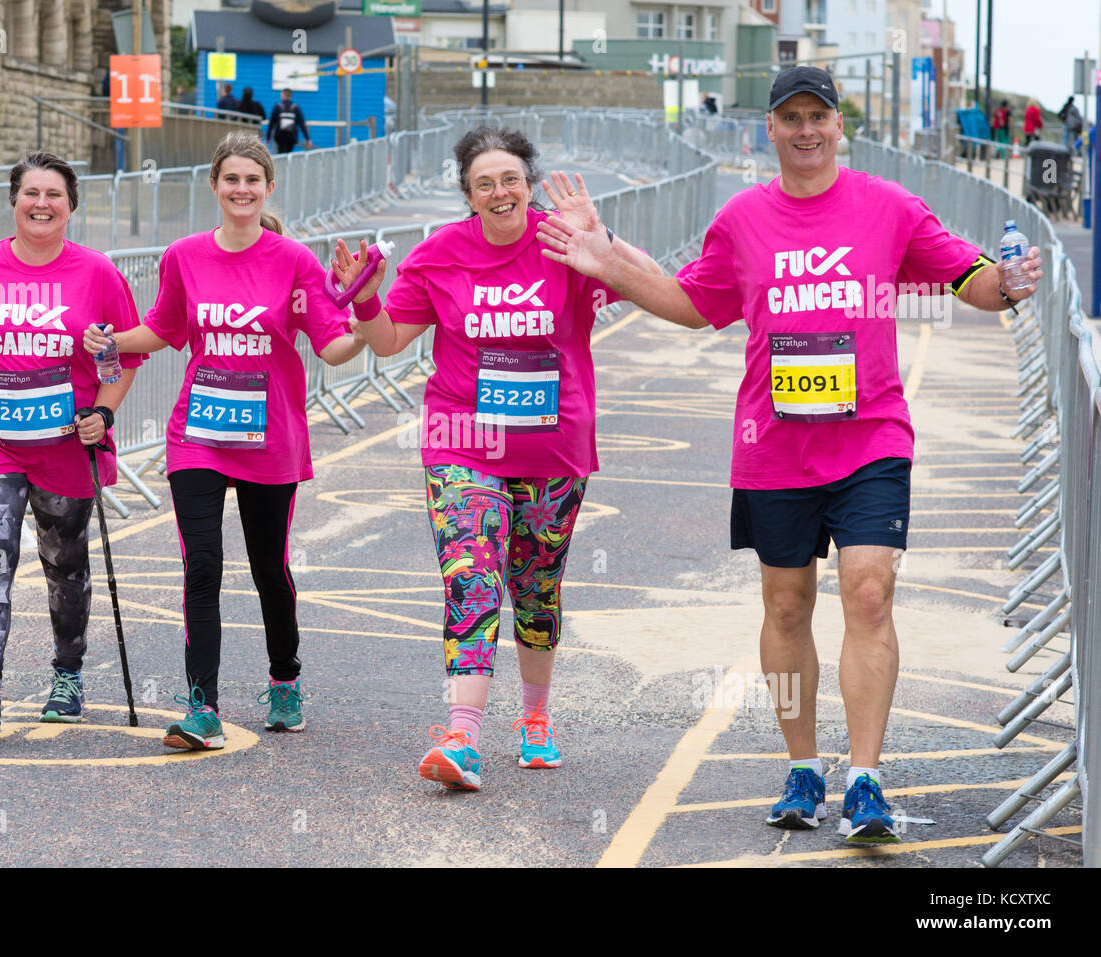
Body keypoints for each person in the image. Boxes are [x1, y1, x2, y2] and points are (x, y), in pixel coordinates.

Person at [537, 66, 1043, 843]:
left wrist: (1006, 284)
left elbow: (965, 276)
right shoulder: (743, 218)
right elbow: (697, 305)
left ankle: (866, 778)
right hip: (772, 446)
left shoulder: (887, 206)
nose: (806, 130)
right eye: (791, 118)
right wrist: (611, 263)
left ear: (840, 127)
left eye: (819, 117)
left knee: (870, 592)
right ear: (769, 130)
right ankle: (803, 765)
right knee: (785, 604)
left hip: (871, 434)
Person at [333, 127, 663, 791]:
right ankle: (463, 737)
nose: (500, 191)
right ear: (468, 195)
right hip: (463, 444)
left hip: (553, 448)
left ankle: (536, 719)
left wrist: (604, 244)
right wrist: (364, 297)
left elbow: (661, 285)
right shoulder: (439, 255)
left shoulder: (562, 243)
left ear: (529, 184)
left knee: (536, 590)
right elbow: (390, 340)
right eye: (484, 182)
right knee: (472, 575)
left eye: (510, 178)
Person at [82, 132, 364, 747]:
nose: (241, 190)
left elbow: (334, 346)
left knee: (269, 568)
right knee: (201, 565)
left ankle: (285, 681)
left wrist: (369, 319)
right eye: (231, 179)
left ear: (268, 189)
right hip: (199, 435)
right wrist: (107, 338)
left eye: (252, 181)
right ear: (214, 186)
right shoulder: (184, 255)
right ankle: (202, 706)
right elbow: (164, 326)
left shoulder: (294, 260)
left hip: (271, 438)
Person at [0, 151, 143, 734]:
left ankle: (68, 673)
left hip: (65, 440)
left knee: (64, 560)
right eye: (32, 193)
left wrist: (103, 411)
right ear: (14, 200)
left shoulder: (97, 274)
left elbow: (124, 357)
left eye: (54, 194)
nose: (42, 204)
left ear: (71, 206)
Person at [268, 89, 312, 154]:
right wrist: (307, 139)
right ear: (290, 96)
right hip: (292, 137)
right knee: (289, 154)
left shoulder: (277, 107)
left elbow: (271, 123)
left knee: (281, 154)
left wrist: (268, 137)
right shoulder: (296, 108)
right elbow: (302, 124)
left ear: (283, 95)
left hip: (280, 136)